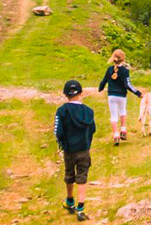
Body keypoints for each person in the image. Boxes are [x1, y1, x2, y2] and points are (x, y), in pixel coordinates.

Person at [54, 79, 96, 218]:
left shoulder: (62, 111)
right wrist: (87, 142)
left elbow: (58, 131)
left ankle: (70, 200)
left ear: (65, 94)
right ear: (81, 93)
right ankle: (81, 207)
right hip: (84, 149)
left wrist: (61, 143)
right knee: (82, 177)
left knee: (69, 175)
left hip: (69, 149)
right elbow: (93, 129)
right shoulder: (89, 112)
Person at [97, 49, 142, 144]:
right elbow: (127, 85)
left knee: (113, 116)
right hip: (121, 96)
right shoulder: (125, 71)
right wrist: (138, 93)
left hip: (111, 96)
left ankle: (116, 135)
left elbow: (103, 81)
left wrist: (100, 88)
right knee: (122, 112)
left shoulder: (109, 70)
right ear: (123, 59)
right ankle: (123, 130)